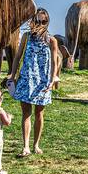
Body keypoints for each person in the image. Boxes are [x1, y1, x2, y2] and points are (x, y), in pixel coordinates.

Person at [9, 8, 62, 156]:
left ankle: (36, 145)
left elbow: (54, 61)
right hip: (26, 78)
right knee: (26, 113)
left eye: (44, 21)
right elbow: (18, 56)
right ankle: (25, 146)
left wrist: (52, 80)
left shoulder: (52, 40)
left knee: (39, 113)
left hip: (42, 81)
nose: (41, 24)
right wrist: (12, 75)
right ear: (33, 21)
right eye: (38, 21)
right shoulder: (26, 36)